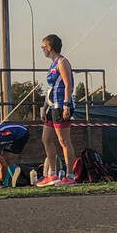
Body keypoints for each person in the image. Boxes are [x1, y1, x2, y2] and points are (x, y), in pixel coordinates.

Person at [35, 35, 78, 187]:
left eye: (43, 47)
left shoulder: (62, 62)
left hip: (61, 105)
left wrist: (66, 105)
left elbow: (68, 85)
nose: (42, 50)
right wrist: (44, 107)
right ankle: (52, 173)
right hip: (52, 105)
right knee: (46, 139)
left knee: (64, 141)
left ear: (49, 47)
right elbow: (50, 88)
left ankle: (70, 175)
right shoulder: (52, 64)